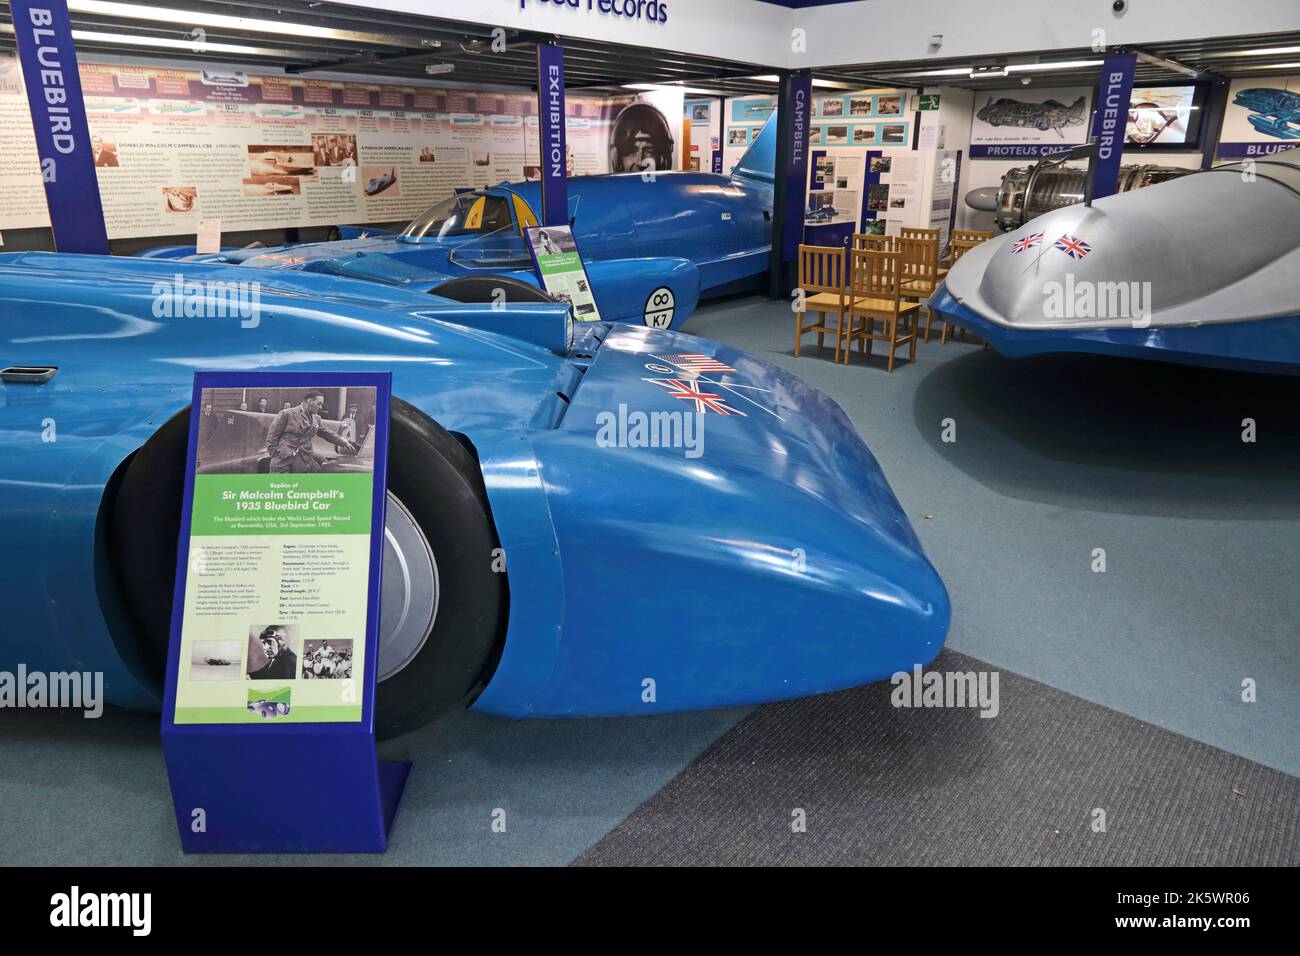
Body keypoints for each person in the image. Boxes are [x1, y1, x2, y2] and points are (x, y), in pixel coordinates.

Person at [266, 390, 359, 473]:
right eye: (319, 404)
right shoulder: (287, 414)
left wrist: (343, 442)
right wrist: (276, 456)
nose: (321, 407)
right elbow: (272, 437)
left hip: (305, 458)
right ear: (310, 401)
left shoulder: (316, 418)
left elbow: (326, 433)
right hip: (284, 459)